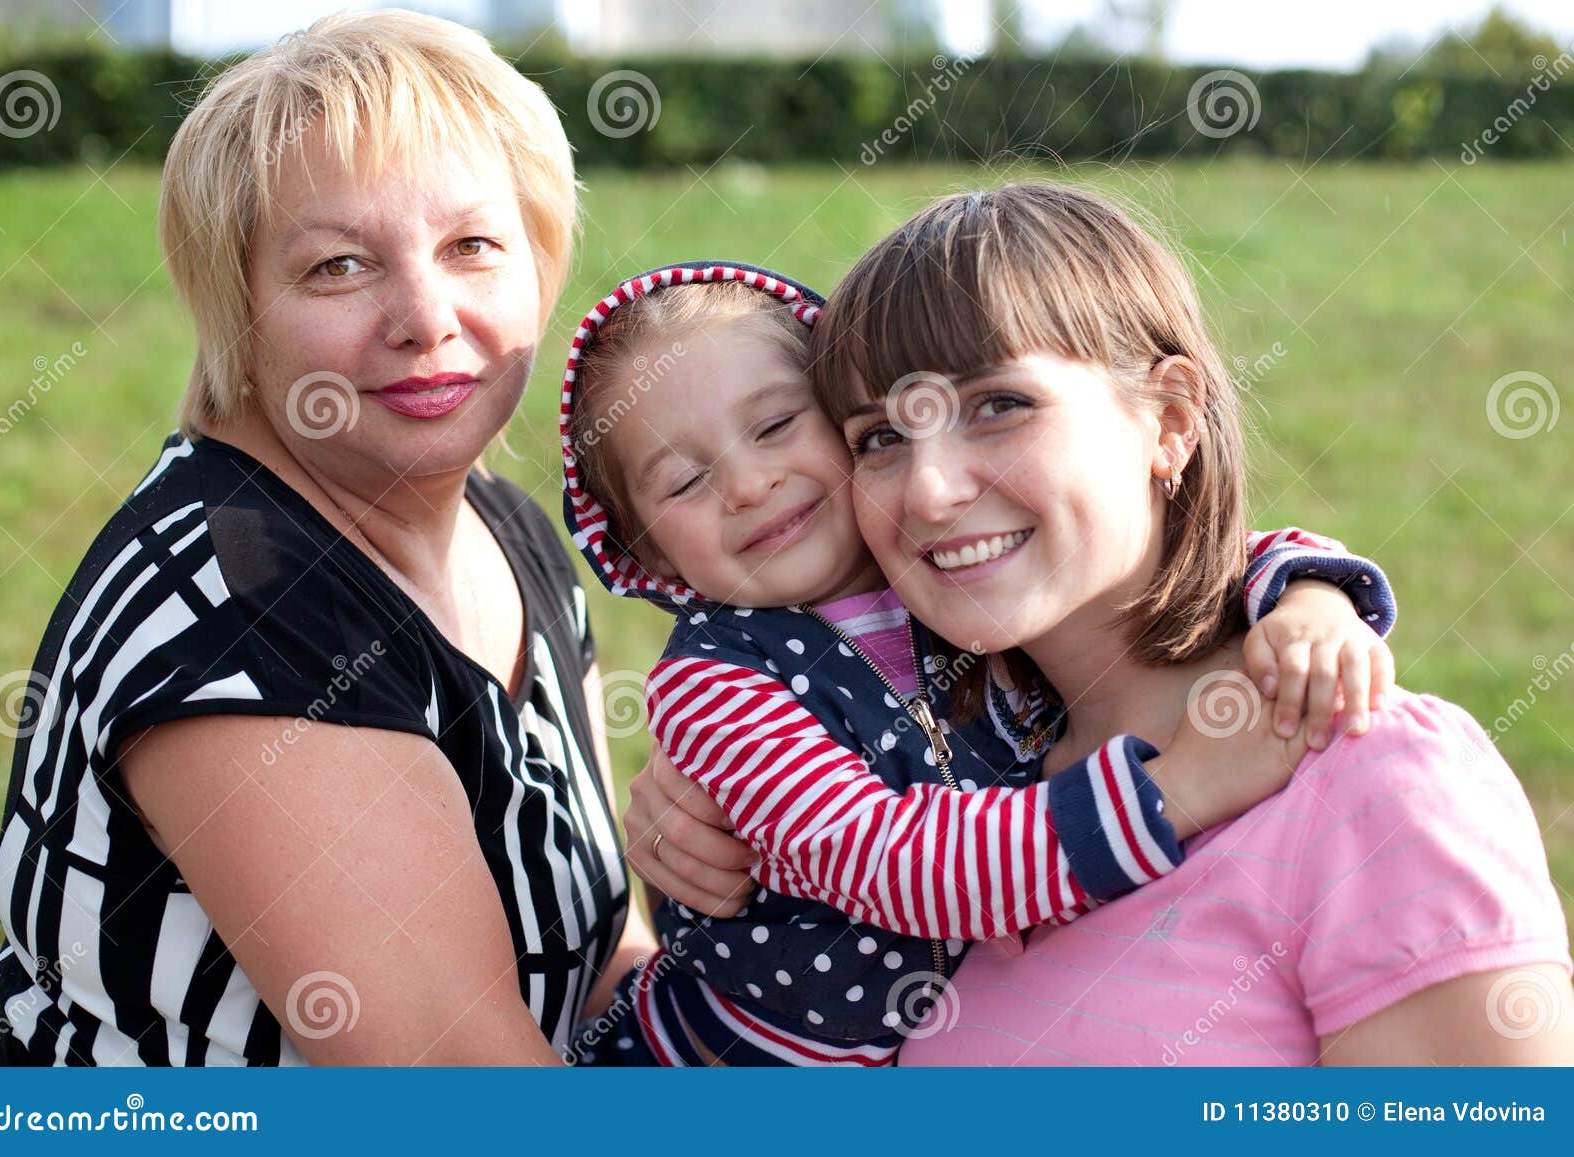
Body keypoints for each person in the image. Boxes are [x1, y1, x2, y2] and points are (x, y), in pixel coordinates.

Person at [0, 11, 649, 1066]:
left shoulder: (510, 531)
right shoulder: (235, 598)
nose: (425, 315)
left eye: (473, 246)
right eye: (340, 266)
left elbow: (606, 946)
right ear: (238, 311)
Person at [798, 182, 1574, 1065]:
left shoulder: (1371, 770)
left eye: (999, 404)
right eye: (880, 438)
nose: (929, 490)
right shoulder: (949, 804)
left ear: (1168, 420)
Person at [561, 261, 1397, 1064]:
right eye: (684, 481)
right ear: (650, 556)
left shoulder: (943, 573)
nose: (748, 483)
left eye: (777, 425)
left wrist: (1310, 597)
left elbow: (1170, 565)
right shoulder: (713, 686)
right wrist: (1174, 792)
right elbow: (890, 861)